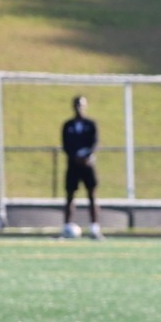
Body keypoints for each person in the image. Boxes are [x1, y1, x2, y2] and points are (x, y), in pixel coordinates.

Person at [60, 95, 101, 239]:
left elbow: (94, 143)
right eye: (77, 105)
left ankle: (95, 228)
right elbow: (65, 145)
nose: (79, 107)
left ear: (86, 106)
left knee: (92, 194)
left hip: (88, 165)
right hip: (73, 164)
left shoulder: (91, 124)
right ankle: (66, 226)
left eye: (81, 105)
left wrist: (87, 156)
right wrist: (75, 157)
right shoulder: (68, 125)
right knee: (70, 195)